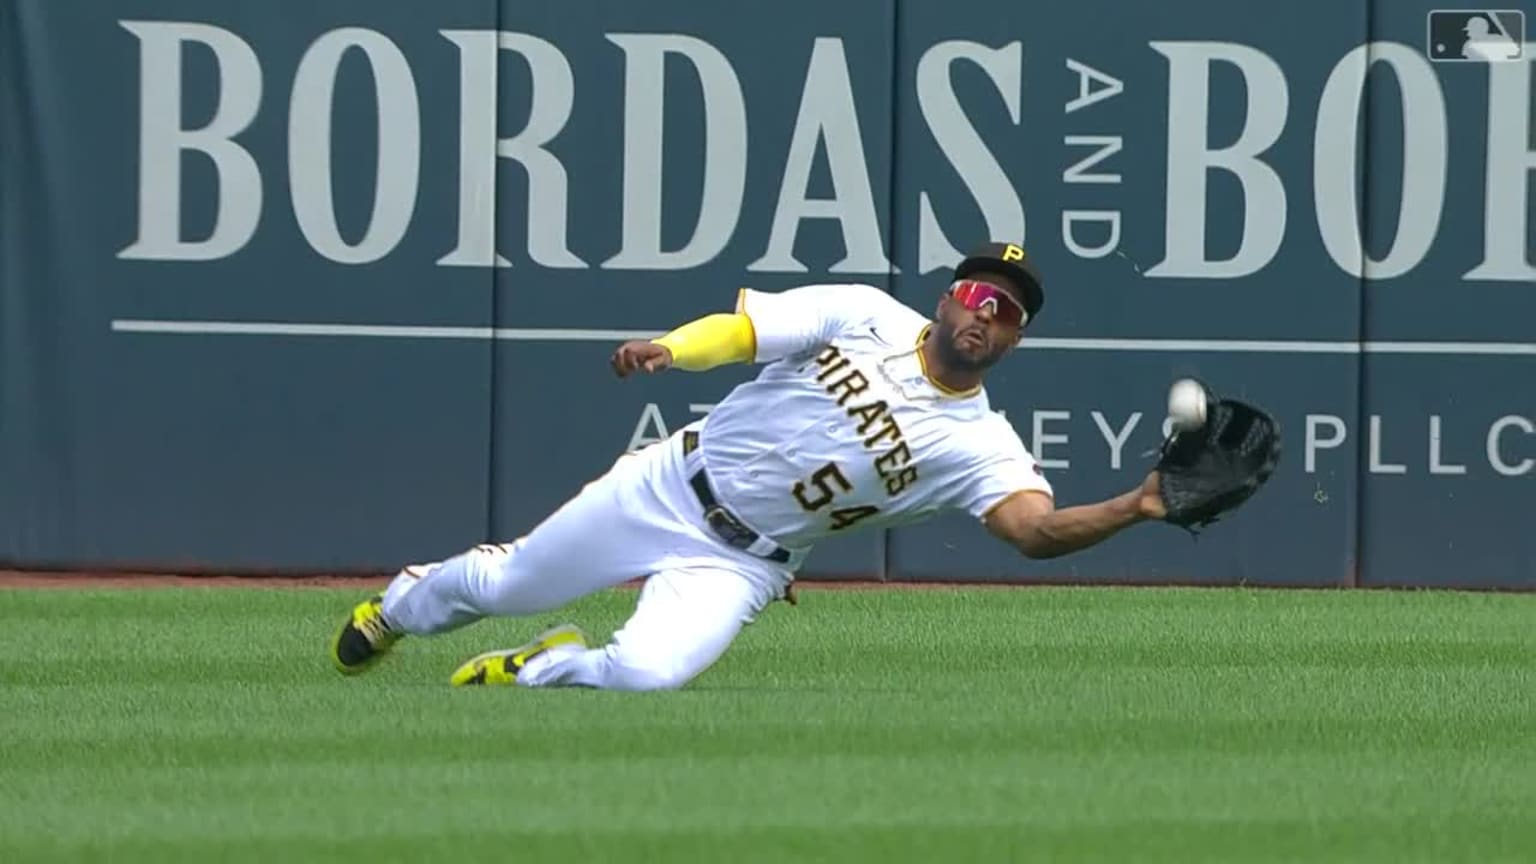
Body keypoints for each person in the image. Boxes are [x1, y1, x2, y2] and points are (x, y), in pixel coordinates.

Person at [330, 241, 1170, 690]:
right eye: (981, 295)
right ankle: (398, 608)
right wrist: (668, 347)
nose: (989, 315)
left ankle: (541, 665)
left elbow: (1033, 530)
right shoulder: (865, 313)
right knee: (502, 584)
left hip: (741, 563)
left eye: (1009, 313)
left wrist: (1134, 506)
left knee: (645, 675)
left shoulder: (982, 443)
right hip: (667, 486)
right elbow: (741, 334)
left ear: (1016, 340)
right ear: (949, 296)